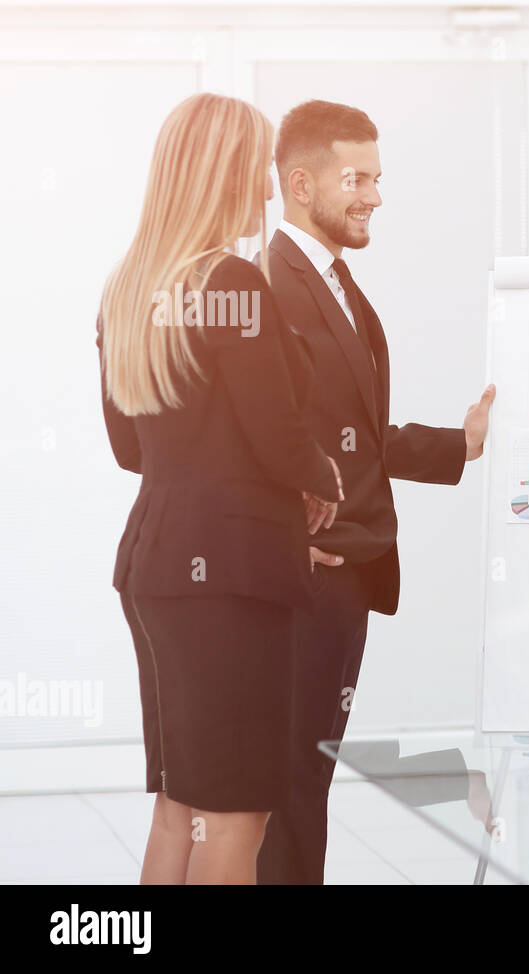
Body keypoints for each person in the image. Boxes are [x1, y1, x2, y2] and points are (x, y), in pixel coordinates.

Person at [97, 93, 343, 884]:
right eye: (256, 168)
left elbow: (130, 446)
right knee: (235, 813)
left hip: (152, 566)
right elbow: (278, 439)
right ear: (223, 173)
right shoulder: (230, 280)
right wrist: (322, 475)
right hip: (229, 578)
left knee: (181, 805)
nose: (268, 190)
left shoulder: (128, 289)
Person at [254, 100, 495, 884]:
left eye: (377, 178)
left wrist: (458, 443)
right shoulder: (271, 286)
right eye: (357, 179)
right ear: (299, 183)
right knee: (285, 787)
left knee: (305, 781)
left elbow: (352, 430)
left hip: (344, 573)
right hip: (307, 574)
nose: (375, 197)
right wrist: (286, 537)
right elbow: (257, 436)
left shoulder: (331, 279)